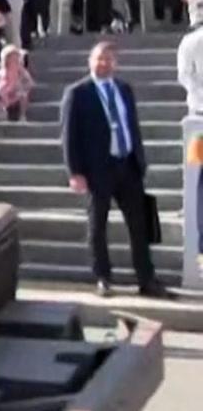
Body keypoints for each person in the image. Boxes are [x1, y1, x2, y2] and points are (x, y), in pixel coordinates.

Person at [60, 41, 170, 298]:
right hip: (97, 169)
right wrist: (74, 171)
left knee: (139, 224)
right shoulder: (78, 93)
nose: (104, 64)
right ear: (90, 61)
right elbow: (68, 135)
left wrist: (139, 158)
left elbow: (132, 125)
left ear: (116, 63)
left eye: (109, 59)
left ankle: (146, 278)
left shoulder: (124, 89)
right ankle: (103, 277)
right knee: (97, 225)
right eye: (99, 59)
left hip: (127, 164)